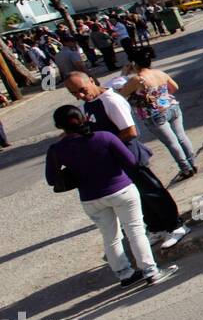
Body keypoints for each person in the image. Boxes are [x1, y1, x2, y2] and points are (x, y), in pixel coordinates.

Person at [45, 105, 178, 288]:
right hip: (121, 190)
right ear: (84, 118)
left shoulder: (56, 149)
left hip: (90, 198)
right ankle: (151, 271)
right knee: (135, 231)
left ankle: (125, 275)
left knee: (110, 237)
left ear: (59, 126)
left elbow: (52, 179)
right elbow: (131, 160)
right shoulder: (104, 137)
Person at [63, 71, 190, 248]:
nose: (80, 95)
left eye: (82, 90)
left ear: (91, 81)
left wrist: (105, 146)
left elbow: (130, 131)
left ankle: (175, 225)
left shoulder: (111, 100)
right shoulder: (89, 104)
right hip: (115, 160)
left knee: (151, 190)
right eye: (74, 93)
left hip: (130, 155)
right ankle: (156, 227)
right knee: (138, 196)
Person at [115, 46, 197, 177]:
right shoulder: (160, 73)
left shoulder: (137, 80)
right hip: (172, 107)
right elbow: (174, 87)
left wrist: (124, 74)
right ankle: (192, 163)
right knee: (181, 137)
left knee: (172, 142)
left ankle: (186, 168)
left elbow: (120, 94)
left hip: (154, 114)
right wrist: (161, 96)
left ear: (134, 63)